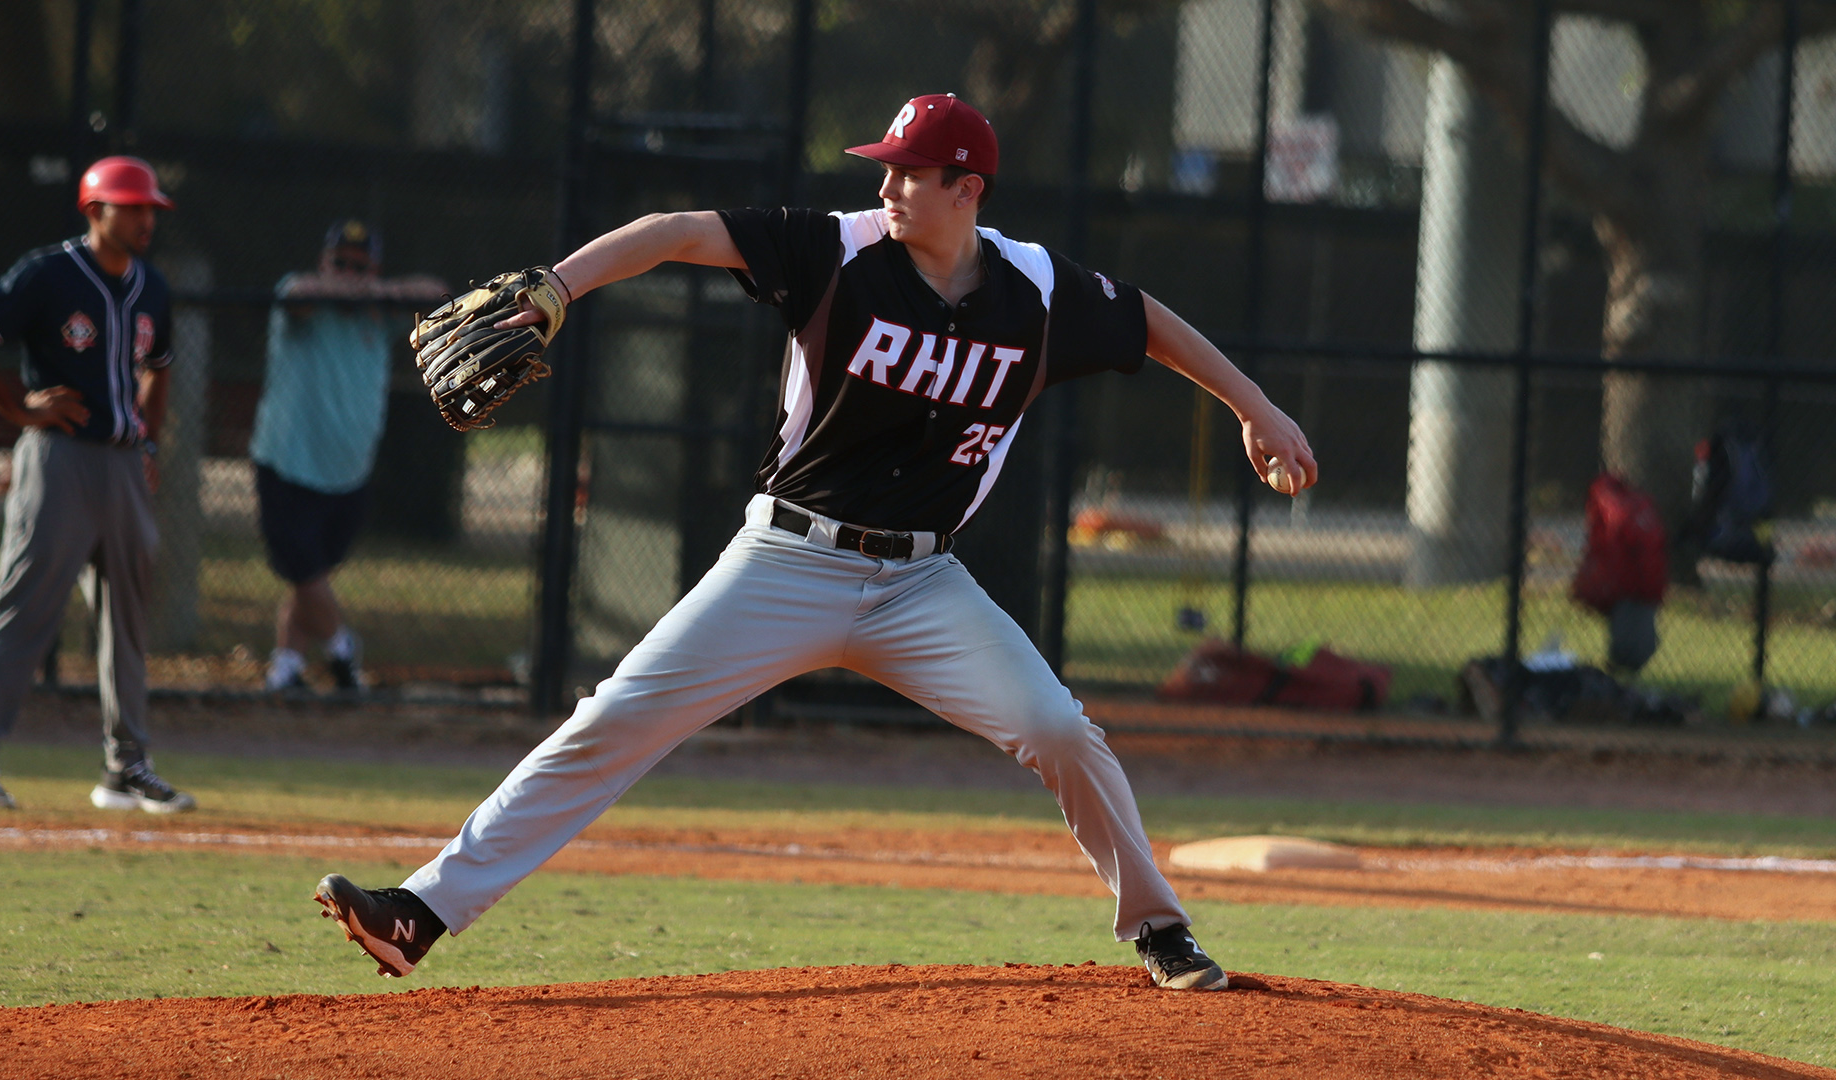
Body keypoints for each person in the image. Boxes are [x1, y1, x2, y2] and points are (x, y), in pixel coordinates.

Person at [314, 95, 1317, 990]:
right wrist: (558, 291)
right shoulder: (836, 251)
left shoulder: (1037, 292)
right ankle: (422, 910)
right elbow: (670, 233)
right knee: (613, 720)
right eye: (881, 166)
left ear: (966, 189)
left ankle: (1160, 928)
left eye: (906, 171)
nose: (885, 185)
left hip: (925, 582)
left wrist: (1257, 408)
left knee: (1059, 730)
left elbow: (1146, 323)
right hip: (789, 561)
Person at [0, 155, 194, 813]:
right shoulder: (50, 273)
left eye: (149, 209)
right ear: (95, 210)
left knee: (129, 617)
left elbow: (158, 367)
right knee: (25, 604)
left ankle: (127, 767)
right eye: (132, 207)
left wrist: (149, 440)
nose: (145, 219)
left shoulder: (153, 287)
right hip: (58, 459)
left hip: (121, 464)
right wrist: (20, 410)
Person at [249, 220, 444, 693]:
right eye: (340, 263)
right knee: (304, 569)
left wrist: (375, 292)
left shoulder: (379, 310)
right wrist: (343, 288)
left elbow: (438, 293)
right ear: (324, 261)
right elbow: (295, 291)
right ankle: (341, 648)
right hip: (288, 463)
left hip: (348, 472)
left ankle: (287, 667)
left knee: (310, 575)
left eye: (360, 267)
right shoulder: (303, 300)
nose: (348, 274)